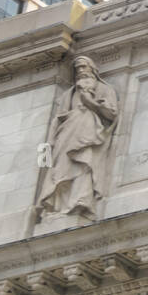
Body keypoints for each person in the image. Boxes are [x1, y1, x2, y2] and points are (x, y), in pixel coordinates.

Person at [37, 55, 117, 222]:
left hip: (89, 135)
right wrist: (49, 143)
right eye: (78, 68)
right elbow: (58, 118)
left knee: (85, 163)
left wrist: (90, 103)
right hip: (66, 136)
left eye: (84, 67)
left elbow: (111, 113)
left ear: (93, 69)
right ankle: (59, 206)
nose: (81, 71)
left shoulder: (104, 89)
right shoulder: (69, 93)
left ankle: (80, 201)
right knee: (60, 170)